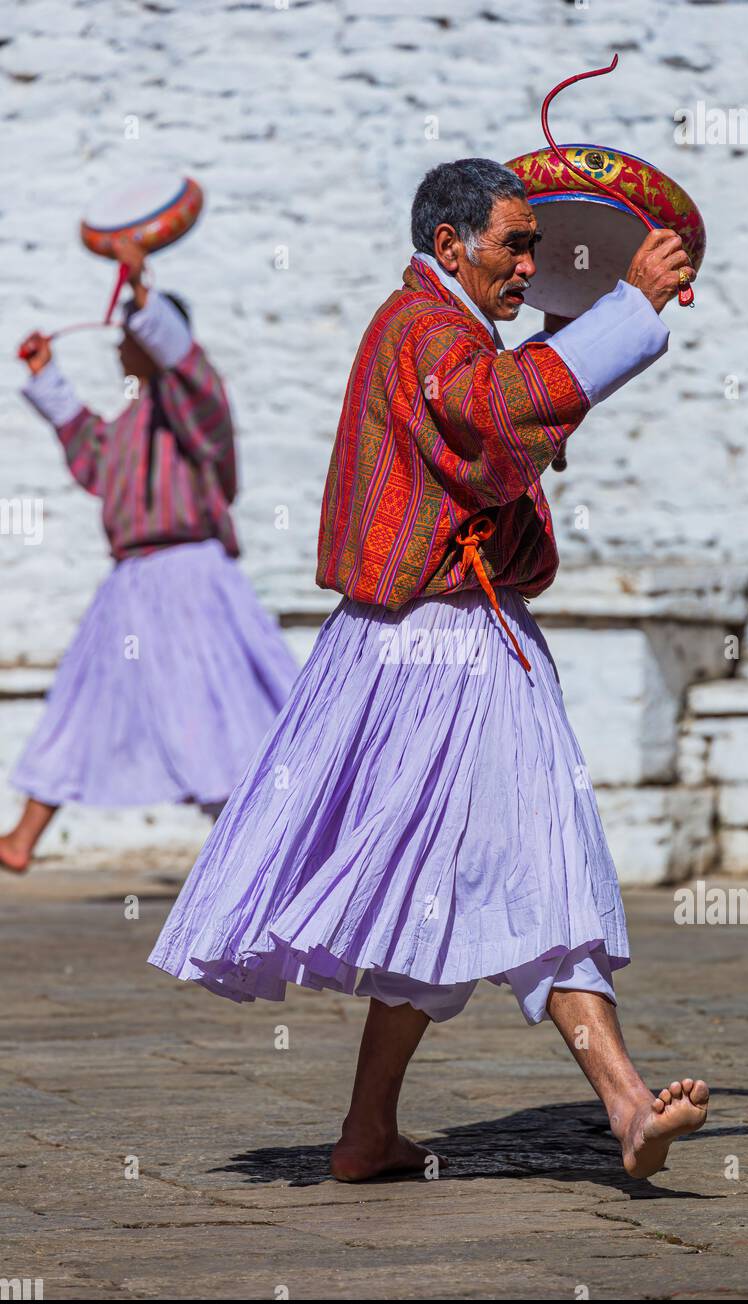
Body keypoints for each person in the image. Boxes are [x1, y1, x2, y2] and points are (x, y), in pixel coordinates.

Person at [148, 159, 709, 1182]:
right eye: (514, 244)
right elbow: (491, 411)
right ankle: (625, 1104)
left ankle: (369, 1133)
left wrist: (577, 347)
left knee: (432, 884)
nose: (530, 265)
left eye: (538, 247)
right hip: (442, 649)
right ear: (449, 246)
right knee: (534, 862)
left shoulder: (439, 331)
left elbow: (495, 428)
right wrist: (622, 310)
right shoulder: (425, 332)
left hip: (440, 643)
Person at [0, 238, 299, 873]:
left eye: (133, 333)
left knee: (214, 711)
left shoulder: (198, 410)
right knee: (82, 699)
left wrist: (142, 296)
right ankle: (23, 837)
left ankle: (252, 857)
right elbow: (91, 454)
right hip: (130, 583)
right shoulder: (131, 422)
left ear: (160, 340)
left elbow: (188, 369)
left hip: (190, 577)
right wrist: (46, 377)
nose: (118, 346)